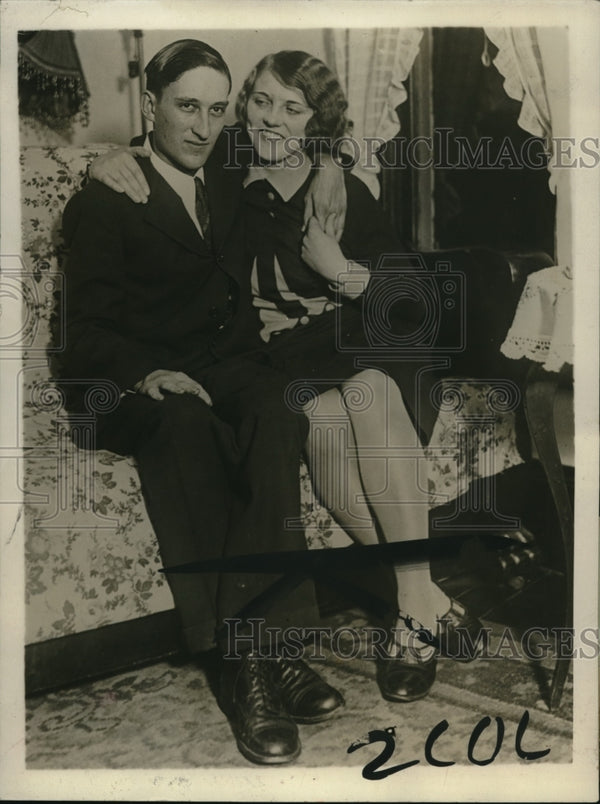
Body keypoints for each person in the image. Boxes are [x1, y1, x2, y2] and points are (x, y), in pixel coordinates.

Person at [89, 50, 486, 707]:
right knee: (322, 422)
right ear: (244, 107)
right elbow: (153, 153)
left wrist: (339, 269)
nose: (273, 119)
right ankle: (427, 599)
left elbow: (415, 300)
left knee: (365, 392)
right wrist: (102, 160)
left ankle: (413, 615)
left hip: (366, 339)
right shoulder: (221, 175)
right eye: (263, 101)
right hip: (287, 362)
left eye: (292, 109)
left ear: (315, 123)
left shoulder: (341, 190)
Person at [60, 39, 350, 768]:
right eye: (186, 106)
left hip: (221, 366)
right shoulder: (105, 198)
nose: (202, 125)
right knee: (187, 424)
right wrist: (147, 373)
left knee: (275, 406)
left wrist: (333, 168)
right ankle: (246, 665)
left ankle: (276, 648)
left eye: (217, 110)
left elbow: (297, 147)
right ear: (150, 105)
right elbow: (85, 337)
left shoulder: (223, 174)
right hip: (127, 386)